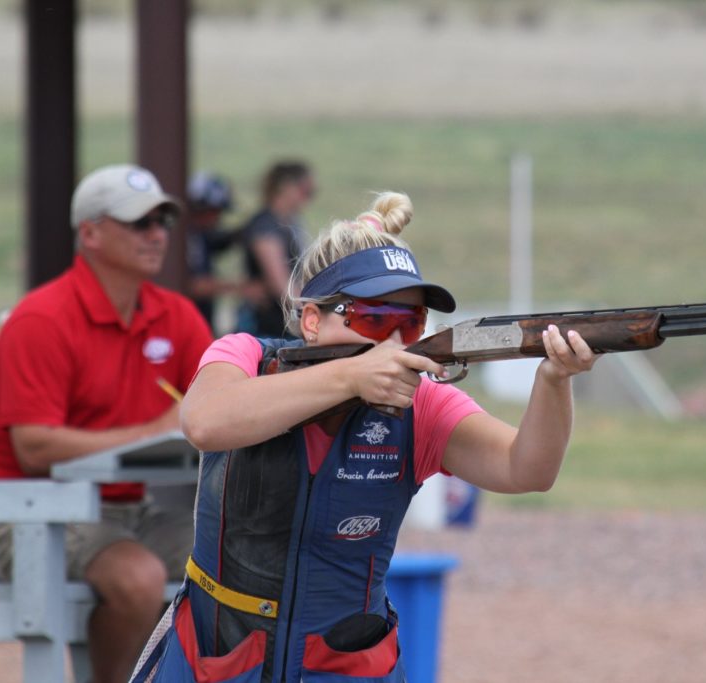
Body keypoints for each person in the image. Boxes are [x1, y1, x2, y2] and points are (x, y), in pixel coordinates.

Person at [130, 191, 596, 682]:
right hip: (219, 655)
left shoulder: (421, 403)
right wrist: (352, 378)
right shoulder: (247, 355)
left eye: (409, 322)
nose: (393, 342)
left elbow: (528, 470)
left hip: (345, 664)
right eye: (374, 319)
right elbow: (205, 423)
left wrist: (554, 381)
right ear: (312, 320)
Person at [0, 164, 214, 683]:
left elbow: (220, 406)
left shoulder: (178, 315)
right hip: (28, 511)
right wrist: (161, 426)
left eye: (163, 220)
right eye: (140, 222)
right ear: (90, 233)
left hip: (126, 507)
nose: (158, 234)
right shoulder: (41, 319)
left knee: (240, 558)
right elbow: (34, 449)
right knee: (137, 578)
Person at [237, 160, 316, 337]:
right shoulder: (265, 226)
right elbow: (280, 283)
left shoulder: (290, 222)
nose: (309, 198)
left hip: (282, 322)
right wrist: (314, 313)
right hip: (267, 326)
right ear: (287, 187)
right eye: (306, 191)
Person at [185, 170, 244, 331]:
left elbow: (221, 241)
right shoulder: (183, 238)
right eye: (216, 211)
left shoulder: (201, 234)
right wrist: (243, 288)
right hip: (188, 323)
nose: (218, 218)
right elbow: (191, 285)